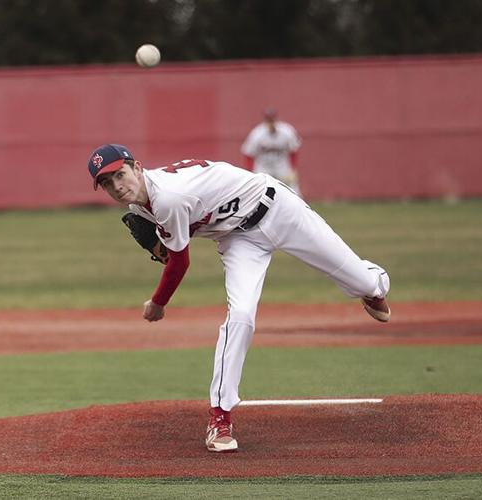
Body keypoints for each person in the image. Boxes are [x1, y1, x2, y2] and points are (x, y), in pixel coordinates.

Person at [86, 143, 391, 453]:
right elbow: (172, 244)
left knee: (364, 281)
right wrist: (160, 244)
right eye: (107, 183)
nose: (117, 186)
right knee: (241, 316)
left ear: (137, 167)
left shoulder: (168, 197)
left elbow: (180, 263)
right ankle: (220, 418)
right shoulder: (140, 207)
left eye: (120, 175)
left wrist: (158, 303)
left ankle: (374, 286)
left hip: (279, 209)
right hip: (237, 238)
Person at [241, 107, 303, 194]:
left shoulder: (287, 131)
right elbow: (248, 153)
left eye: (272, 118)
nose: (271, 122)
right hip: (263, 166)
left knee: (292, 188)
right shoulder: (257, 133)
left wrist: (293, 169)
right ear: (265, 120)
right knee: (257, 189)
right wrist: (250, 171)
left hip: (282, 165)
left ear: (276, 118)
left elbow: (294, 150)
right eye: (268, 119)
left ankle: (298, 206)